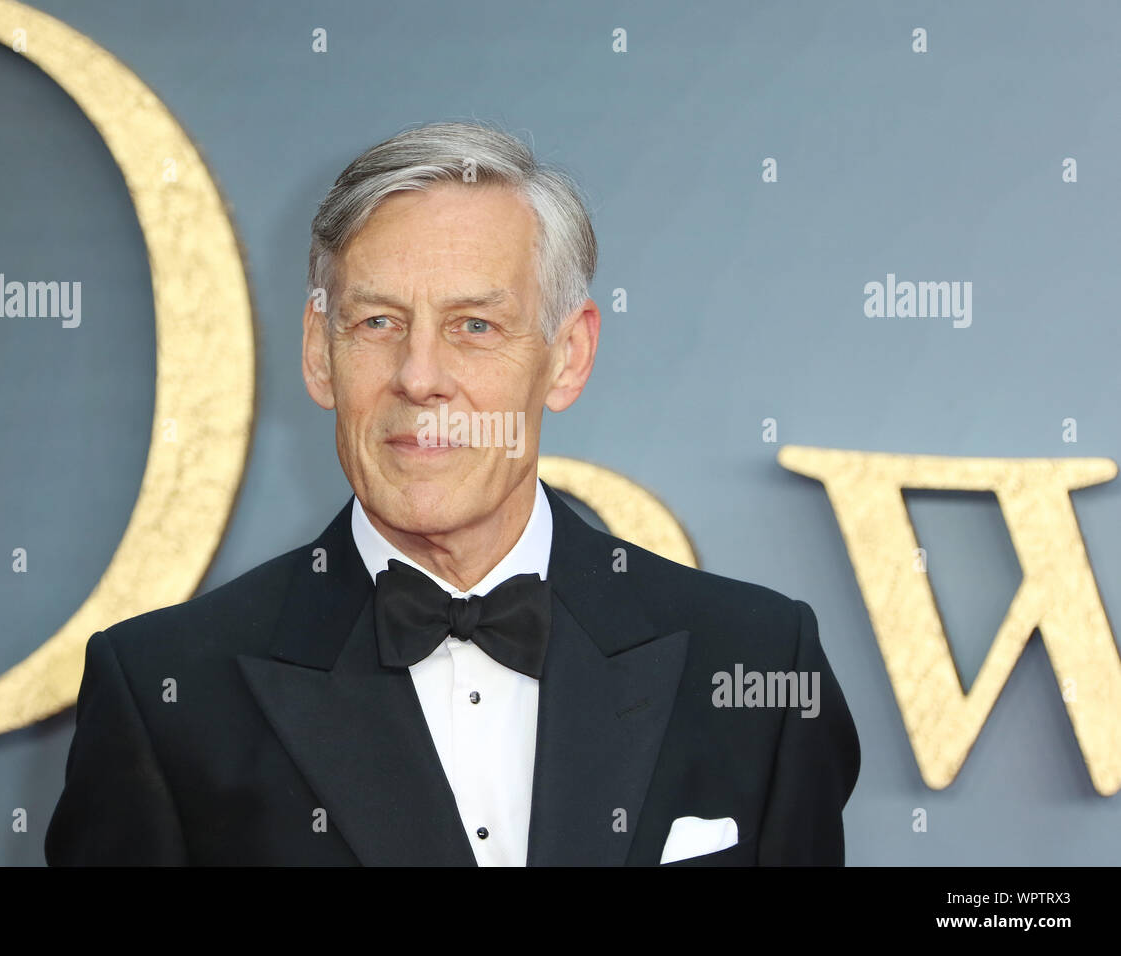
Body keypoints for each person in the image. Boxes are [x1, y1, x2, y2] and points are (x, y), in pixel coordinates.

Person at [45, 121, 860, 866]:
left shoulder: (756, 662)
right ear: (318, 354)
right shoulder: (165, 695)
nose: (420, 377)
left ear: (568, 356)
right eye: (377, 324)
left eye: (474, 325)